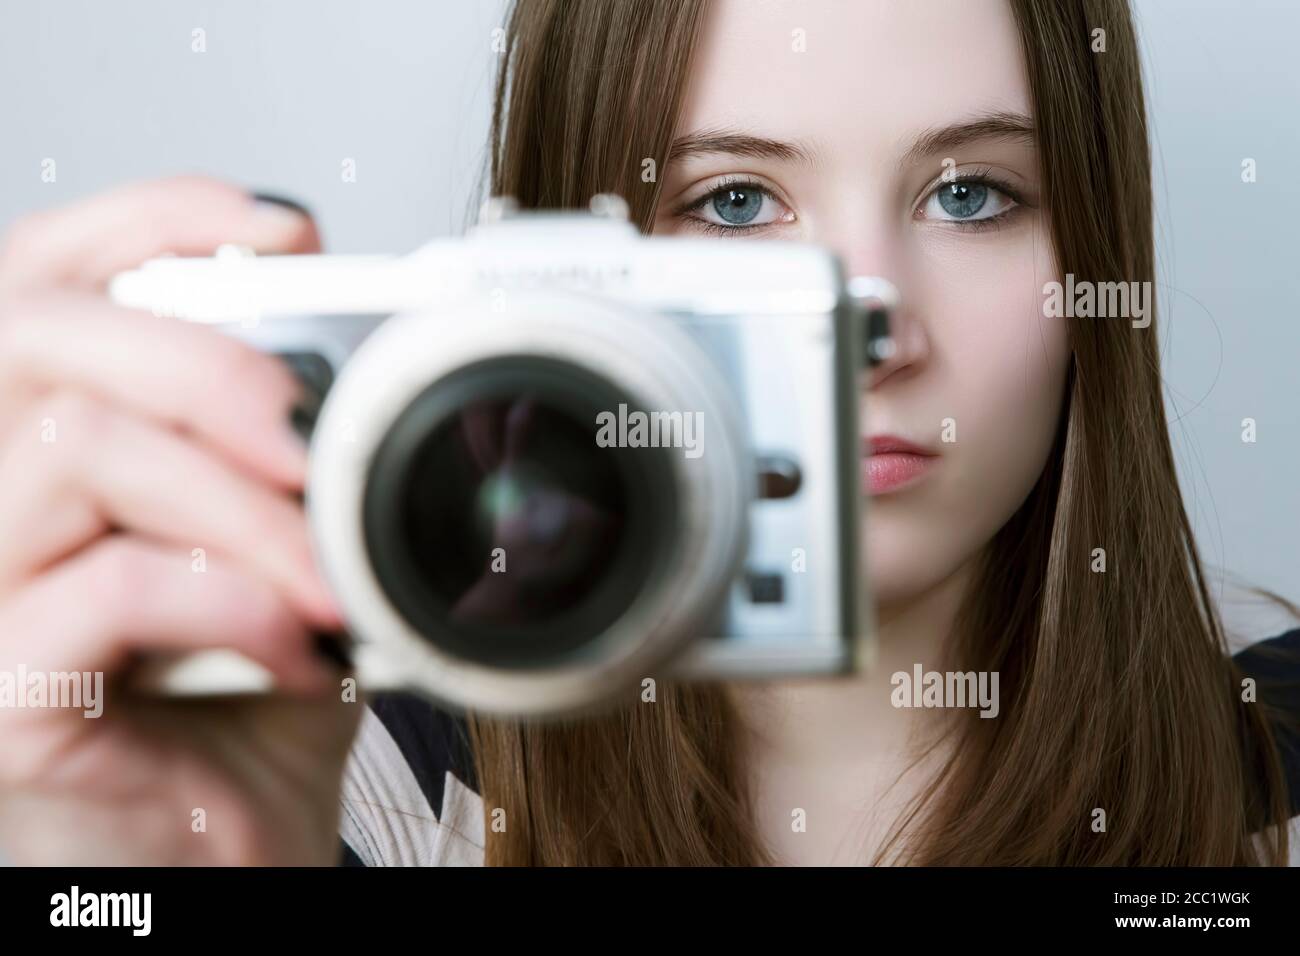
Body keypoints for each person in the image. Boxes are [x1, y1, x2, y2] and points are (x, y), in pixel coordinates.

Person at [0, 0, 1296, 867]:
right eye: (733, 205)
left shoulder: (1276, 734)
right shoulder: (342, 759)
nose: (865, 326)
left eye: (971, 194)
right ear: (575, 269)